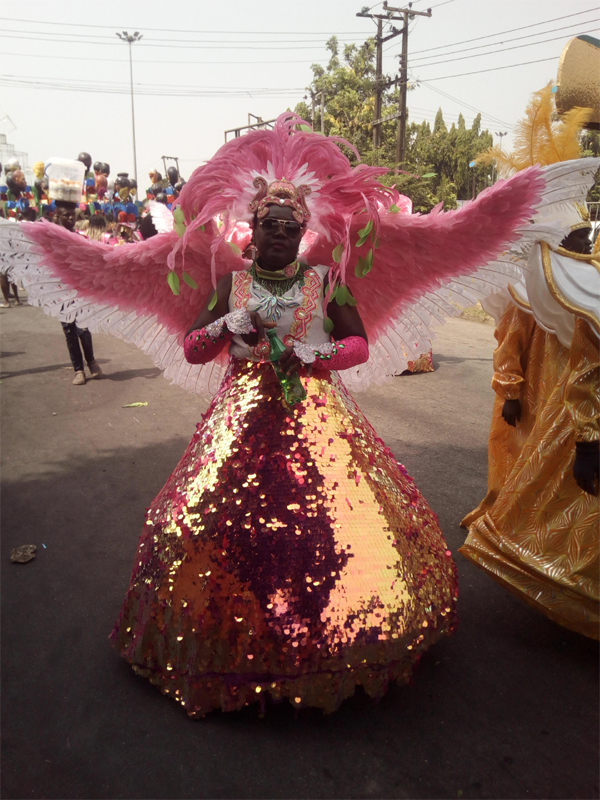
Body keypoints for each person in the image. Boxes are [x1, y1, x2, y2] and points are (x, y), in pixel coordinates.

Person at [1, 114, 551, 716]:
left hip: (316, 412)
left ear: (304, 229)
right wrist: (224, 324)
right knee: (199, 524)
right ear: (252, 228)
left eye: (291, 227)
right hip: (238, 418)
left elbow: (359, 344)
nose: (281, 236)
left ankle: (341, 641)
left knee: (341, 530)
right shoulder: (229, 283)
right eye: (270, 226)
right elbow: (193, 347)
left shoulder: (326, 281)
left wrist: (318, 353)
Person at [460, 209, 599, 638]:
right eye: (569, 237)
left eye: (582, 237)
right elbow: (511, 342)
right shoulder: (532, 292)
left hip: (562, 404)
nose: (578, 245)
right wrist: (510, 392)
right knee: (523, 460)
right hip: (544, 400)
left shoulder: (582, 287)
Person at [53, 202, 102, 385]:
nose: (71, 218)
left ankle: (91, 362)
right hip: (59, 291)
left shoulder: (79, 239)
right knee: (69, 330)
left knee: (83, 327)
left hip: (78, 290)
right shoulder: (52, 239)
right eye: (66, 215)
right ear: (58, 216)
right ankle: (78, 370)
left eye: (72, 215)